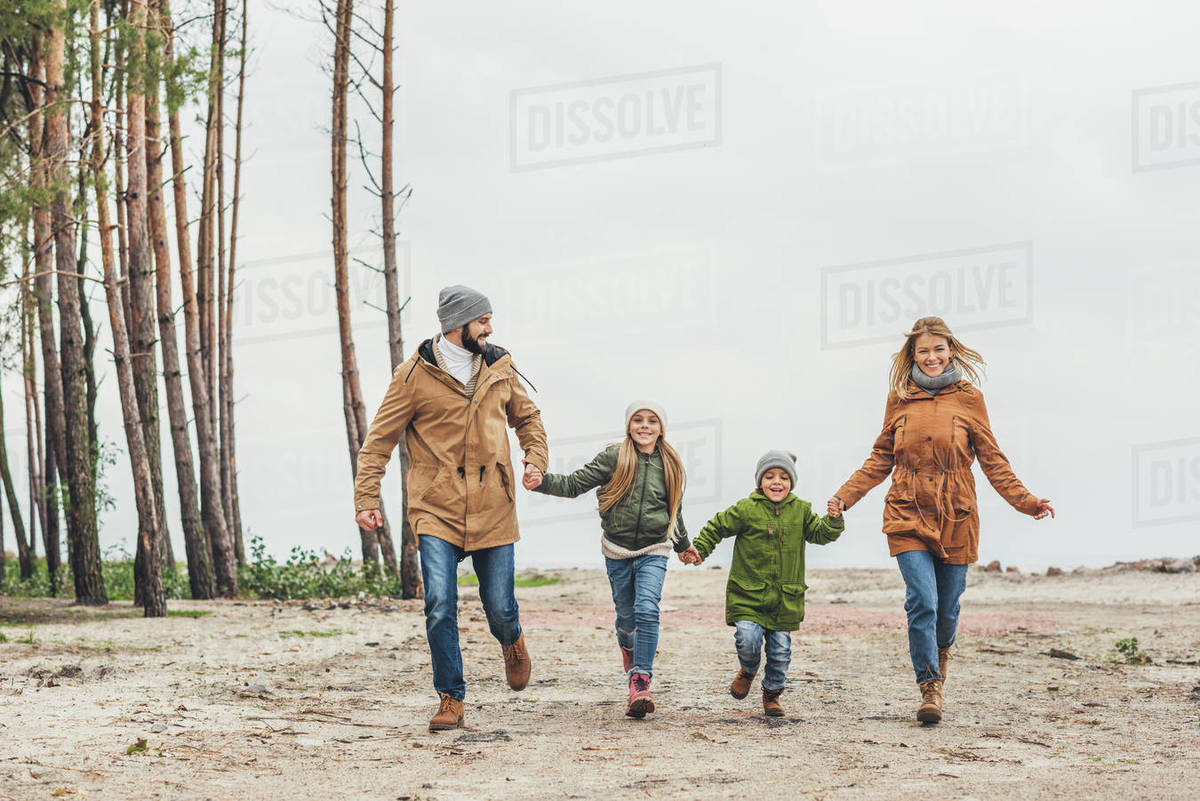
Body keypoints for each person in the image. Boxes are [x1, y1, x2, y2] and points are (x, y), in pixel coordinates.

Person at [828, 316, 1054, 724]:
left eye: (938, 349)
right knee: (923, 601)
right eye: (922, 351)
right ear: (911, 355)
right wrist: (845, 497)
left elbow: (992, 459)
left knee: (947, 609)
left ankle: (942, 654)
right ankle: (929, 685)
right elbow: (880, 457)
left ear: (950, 349)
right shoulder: (899, 398)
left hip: (957, 516)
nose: (930, 358)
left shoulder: (969, 398)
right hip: (906, 511)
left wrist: (1027, 501)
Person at [353, 285, 548, 732]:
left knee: (499, 606)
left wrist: (535, 458)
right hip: (435, 506)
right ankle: (451, 698)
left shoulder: (499, 366)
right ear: (458, 325)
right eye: (483, 321)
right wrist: (366, 499)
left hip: (494, 504)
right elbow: (378, 442)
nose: (490, 328)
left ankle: (511, 639)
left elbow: (529, 418)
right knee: (440, 603)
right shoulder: (412, 376)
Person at [529, 402, 691, 718]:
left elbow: (675, 511)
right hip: (617, 550)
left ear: (661, 428)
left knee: (647, 609)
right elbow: (575, 484)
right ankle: (628, 648)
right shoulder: (614, 457)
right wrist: (542, 481)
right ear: (629, 425)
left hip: (654, 549)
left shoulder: (670, 464)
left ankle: (641, 682)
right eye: (638, 420)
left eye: (652, 421)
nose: (645, 426)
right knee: (627, 618)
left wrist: (684, 545)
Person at [678, 451, 844, 717]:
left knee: (780, 651)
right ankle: (748, 669)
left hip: (784, 598)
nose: (776, 482)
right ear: (760, 481)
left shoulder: (801, 510)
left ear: (791, 482)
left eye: (783, 477)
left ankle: (772, 693)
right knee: (747, 638)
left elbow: (821, 534)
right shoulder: (747, 508)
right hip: (748, 594)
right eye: (769, 476)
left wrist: (834, 519)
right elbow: (717, 527)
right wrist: (699, 549)